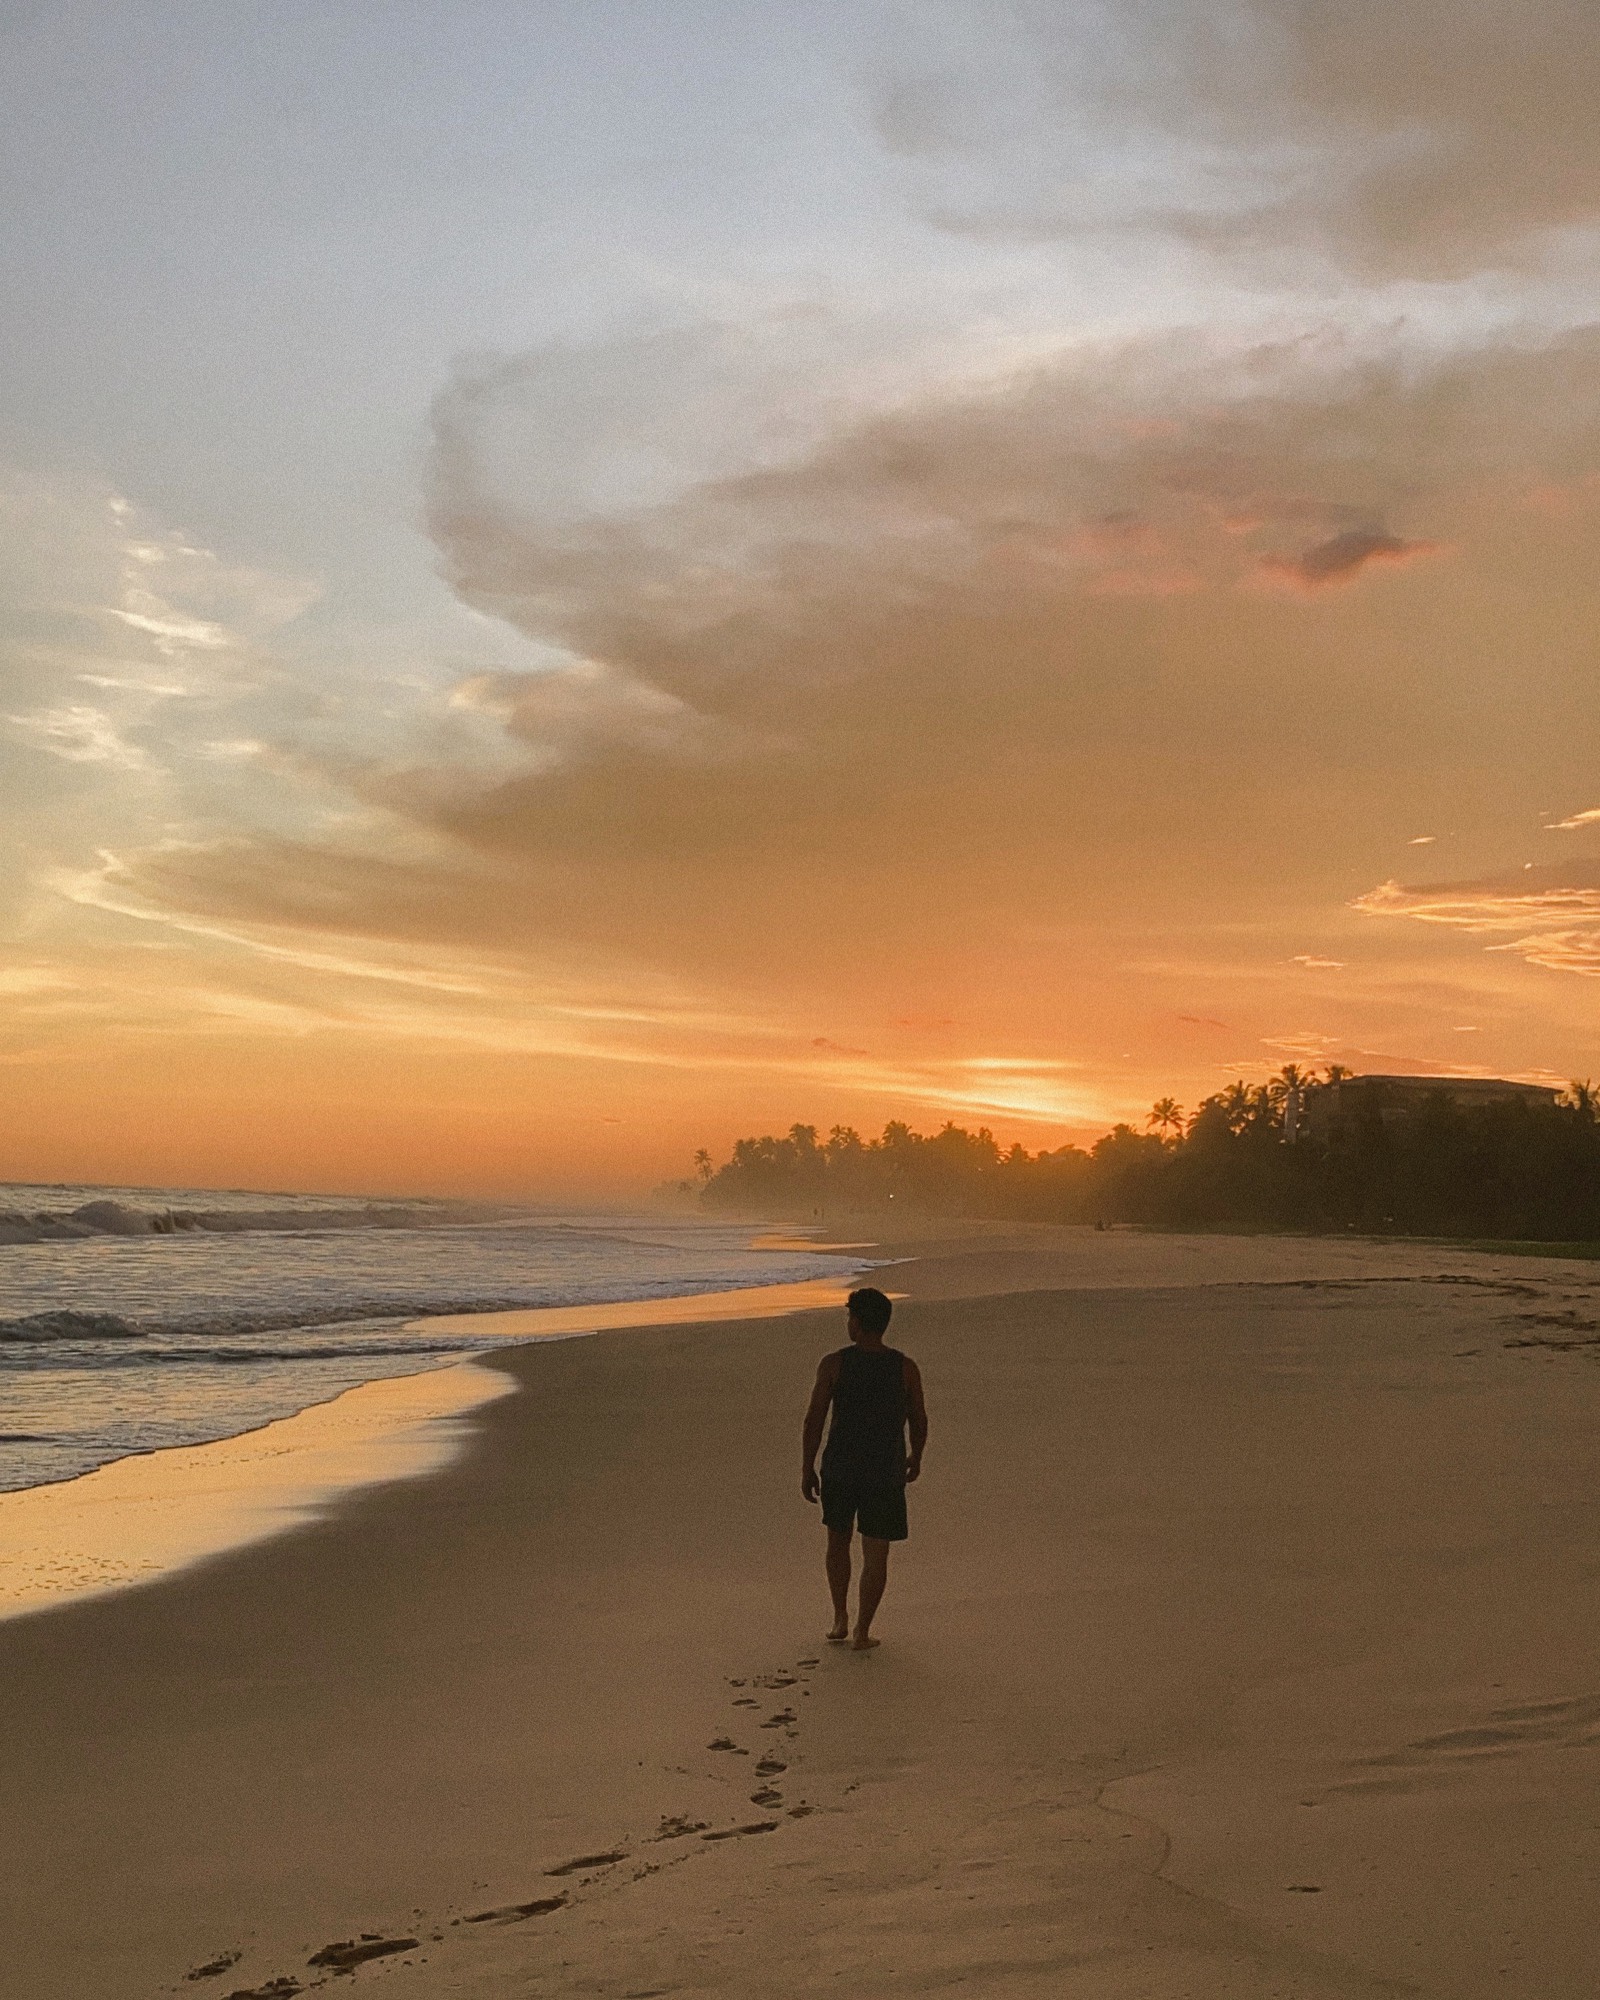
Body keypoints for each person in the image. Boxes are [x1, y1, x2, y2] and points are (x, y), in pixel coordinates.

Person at [800, 1286, 928, 1651]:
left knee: (837, 1542)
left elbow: (814, 1420)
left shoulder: (835, 1363)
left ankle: (839, 1617)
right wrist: (916, 1456)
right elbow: (919, 1419)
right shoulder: (905, 1368)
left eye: (849, 1318)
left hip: (840, 1468)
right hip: (884, 1473)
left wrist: (807, 1467)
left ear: (856, 1322)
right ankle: (861, 1629)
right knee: (876, 1552)